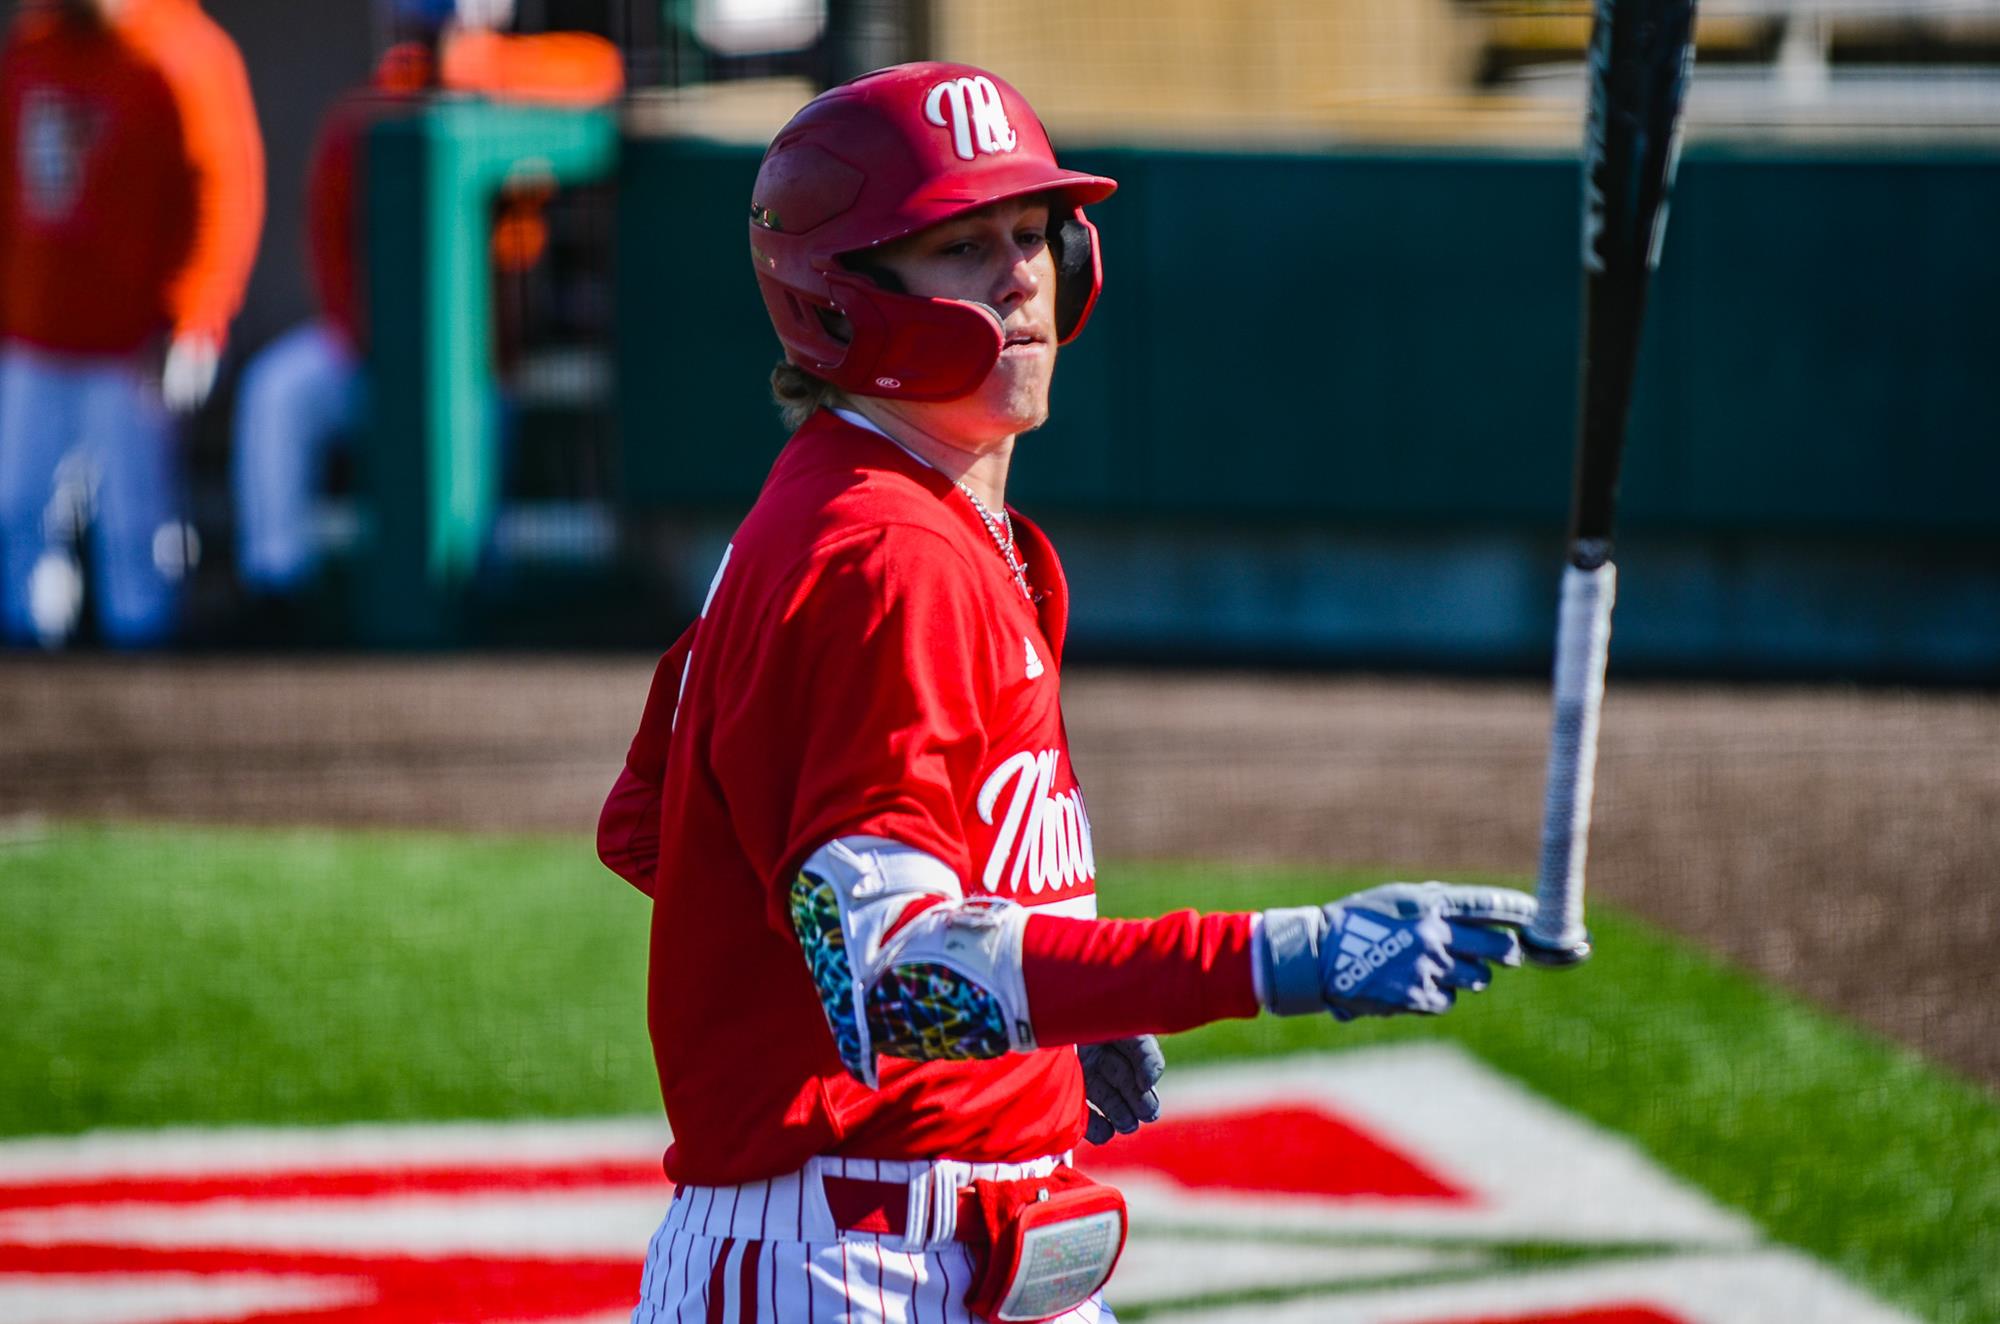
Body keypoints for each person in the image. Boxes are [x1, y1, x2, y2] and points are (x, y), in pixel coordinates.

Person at [597, 62, 1539, 1324]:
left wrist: (1028, 1028)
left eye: (1033, 233)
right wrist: (1287, 956)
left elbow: (667, 826)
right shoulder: (885, 552)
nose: (1022, 276)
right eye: (960, 245)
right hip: (856, 1258)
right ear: (840, 299)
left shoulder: (916, 522)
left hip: (936, 1228)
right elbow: (889, 981)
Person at [230, 0, 620, 625]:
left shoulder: (511, 84)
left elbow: (602, 71)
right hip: (370, 348)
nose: (438, 37)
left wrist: (478, 60)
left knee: (474, 442)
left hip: (478, 358)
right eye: (428, 23)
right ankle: (278, 584)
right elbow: (327, 243)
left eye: (451, 21)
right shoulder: (372, 107)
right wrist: (368, 340)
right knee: (277, 391)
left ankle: (471, 594)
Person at [0, 0, 262, 647]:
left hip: (136, 340)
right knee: (19, 509)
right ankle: (30, 660)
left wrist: (196, 313)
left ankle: (146, 676)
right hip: (35, 331)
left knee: (135, 522)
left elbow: (225, 193)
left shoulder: (186, 51)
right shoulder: (32, 46)